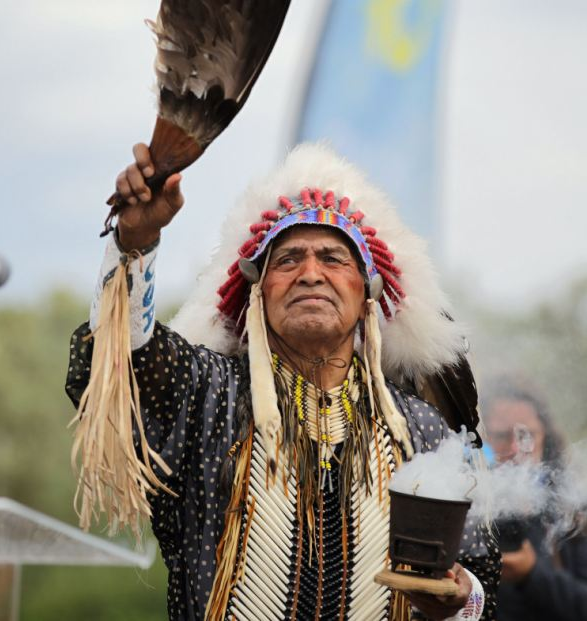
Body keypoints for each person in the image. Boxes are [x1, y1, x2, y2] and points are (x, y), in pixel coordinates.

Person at [64, 142, 500, 620]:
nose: (311, 274)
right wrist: (135, 242)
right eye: (289, 259)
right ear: (258, 290)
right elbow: (122, 360)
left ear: (367, 291)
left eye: (333, 259)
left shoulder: (418, 427)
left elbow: (479, 574)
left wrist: (460, 602)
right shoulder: (207, 395)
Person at [482, 376, 587, 621]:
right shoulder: (462, 510)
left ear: (545, 438)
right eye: (501, 436)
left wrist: (532, 575)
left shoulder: (577, 513)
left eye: (526, 435)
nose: (517, 449)